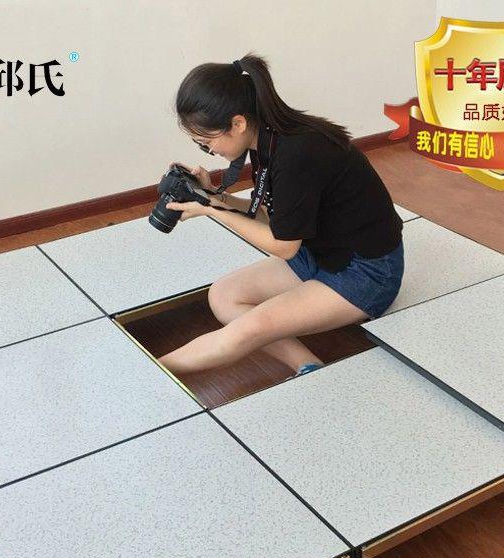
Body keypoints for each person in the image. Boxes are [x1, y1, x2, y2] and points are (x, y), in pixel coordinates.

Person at [159, 53, 404, 378]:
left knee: (246, 330)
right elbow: (271, 217)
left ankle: (148, 373)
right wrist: (215, 196)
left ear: (237, 123)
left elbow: (284, 245)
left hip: (365, 272)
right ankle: (307, 365)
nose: (210, 151)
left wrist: (211, 210)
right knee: (223, 295)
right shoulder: (270, 139)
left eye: (207, 142)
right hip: (319, 253)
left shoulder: (296, 152)